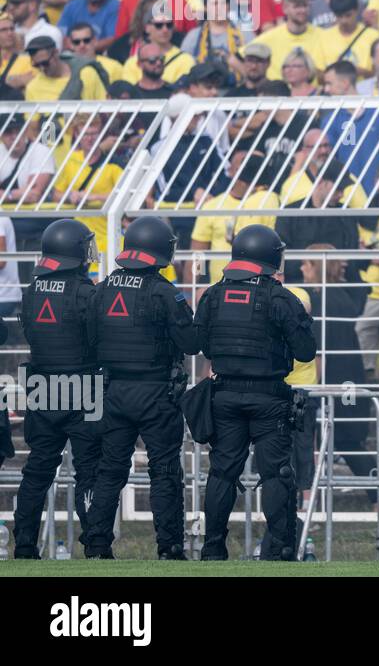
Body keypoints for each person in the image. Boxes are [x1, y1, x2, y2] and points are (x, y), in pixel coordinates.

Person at [196, 225, 316, 561]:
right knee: (277, 474)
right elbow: (306, 351)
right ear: (272, 256)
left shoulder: (213, 294)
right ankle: (278, 550)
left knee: (221, 472)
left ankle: (213, 548)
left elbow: (199, 344)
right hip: (269, 399)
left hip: (225, 396)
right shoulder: (280, 297)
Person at [82, 216, 199, 559]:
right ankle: (170, 548)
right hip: (156, 394)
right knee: (164, 472)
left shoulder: (101, 289)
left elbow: (89, 341)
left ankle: (97, 545)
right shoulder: (165, 293)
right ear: (162, 249)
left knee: (110, 470)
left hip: (113, 392)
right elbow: (191, 342)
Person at [11, 220, 101, 559]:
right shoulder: (87, 293)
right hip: (84, 387)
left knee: (37, 470)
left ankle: (23, 545)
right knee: (89, 470)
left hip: (42, 386)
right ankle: (95, 543)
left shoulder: (32, 292)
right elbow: (98, 340)